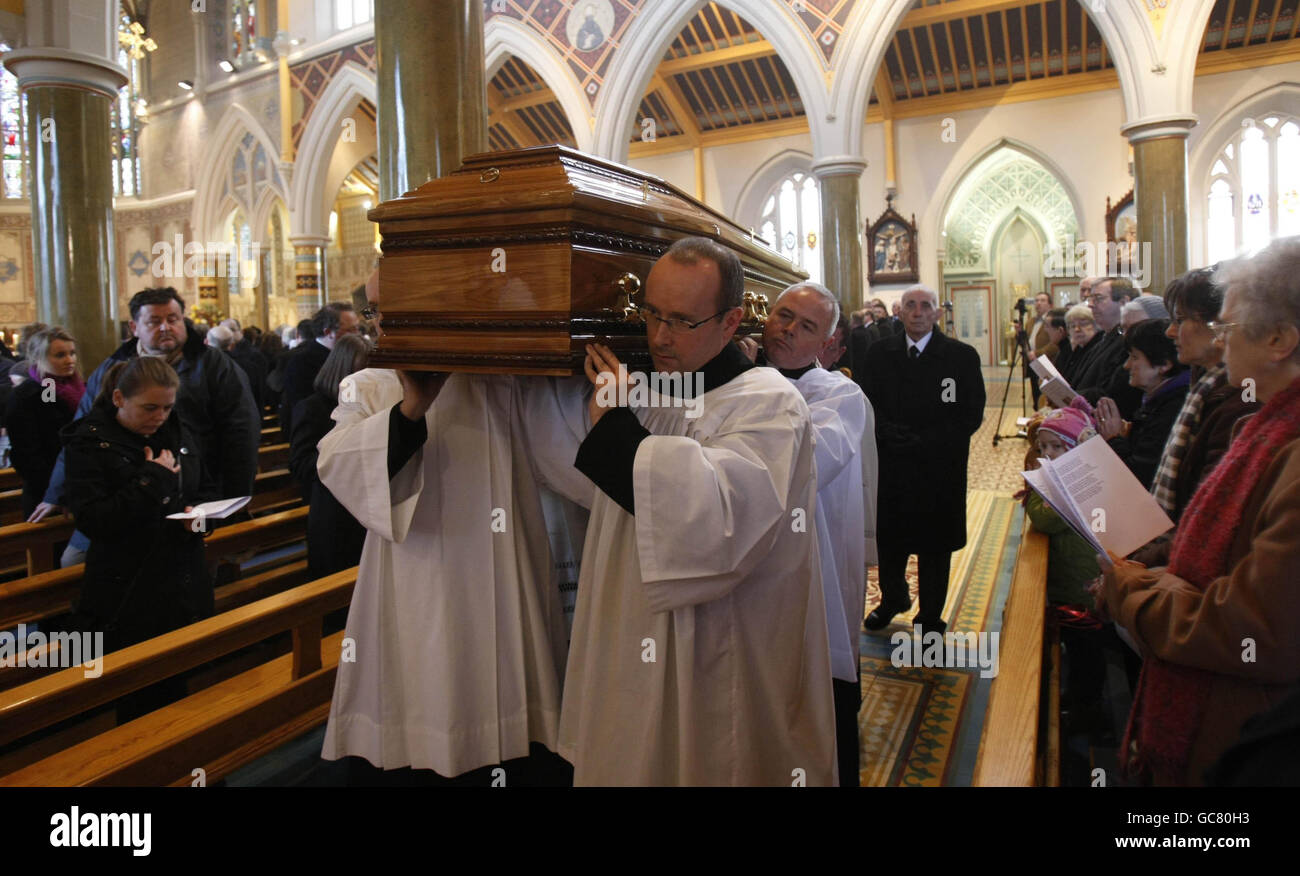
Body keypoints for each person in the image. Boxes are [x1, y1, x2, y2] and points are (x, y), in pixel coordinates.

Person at [563, 236, 836, 785]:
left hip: (717, 646)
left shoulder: (768, 402)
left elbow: (718, 520)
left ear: (732, 320)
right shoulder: (646, 388)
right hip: (629, 626)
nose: (660, 336)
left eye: (682, 321)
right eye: (652, 314)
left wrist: (614, 428)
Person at [315, 272, 588, 785]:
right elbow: (339, 466)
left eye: (394, 307)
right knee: (422, 703)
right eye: (374, 311)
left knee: (515, 719)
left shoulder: (504, 377)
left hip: (510, 577)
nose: (381, 324)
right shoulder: (372, 383)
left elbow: (571, 461)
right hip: (414, 584)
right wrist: (413, 406)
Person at [1100, 237, 1300, 786]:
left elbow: (1255, 627)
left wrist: (1132, 590)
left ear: (1280, 339)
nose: (1220, 340)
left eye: (1229, 328)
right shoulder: (1262, 424)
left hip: (1245, 737)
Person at [744, 280, 877, 788]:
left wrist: (749, 375)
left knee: (817, 709)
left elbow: (804, 463)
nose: (787, 331)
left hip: (812, 573)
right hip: (753, 573)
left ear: (826, 345)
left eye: (806, 327)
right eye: (783, 315)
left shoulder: (840, 395)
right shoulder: (739, 378)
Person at [34, 287, 260, 567]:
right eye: (154, 321)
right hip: (121, 490)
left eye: (174, 319)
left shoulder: (213, 365)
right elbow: (81, 428)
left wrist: (233, 501)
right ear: (134, 327)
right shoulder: (111, 369)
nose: (166, 327)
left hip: (190, 487)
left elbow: (241, 432)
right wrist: (55, 491)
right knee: (80, 563)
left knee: (186, 563)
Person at [863, 284, 985, 636]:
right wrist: (885, 431)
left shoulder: (960, 357)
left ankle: (930, 617)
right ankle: (892, 599)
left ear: (937, 312)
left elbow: (969, 413)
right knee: (890, 541)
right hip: (892, 463)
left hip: (938, 468)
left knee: (935, 546)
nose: (918, 312)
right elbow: (867, 402)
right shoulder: (879, 353)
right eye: (911, 306)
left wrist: (927, 440)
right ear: (899, 312)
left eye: (926, 306)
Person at [289, 333, 371, 578]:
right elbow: (301, 464)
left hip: (364, 510)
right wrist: (345, 455)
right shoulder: (313, 408)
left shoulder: (369, 406)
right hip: (333, 514)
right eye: (362, 375)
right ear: (343, 371)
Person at [1087, 319, 1190, 489]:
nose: (1127, 366)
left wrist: (1114, 439)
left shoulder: (1172, 408)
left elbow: (1139, 477)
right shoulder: (1157, 400)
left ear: (1164, 364)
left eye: (1135, 357)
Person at [6, 328, 85, 518]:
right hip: (47, 494)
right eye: (60, 355)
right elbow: (28, 454)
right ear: (38, 357)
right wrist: (56, 492)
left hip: (80, 487)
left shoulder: (76, 387)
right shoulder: (29, 394)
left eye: (72, 353)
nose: (69, 360)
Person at [279, 302, 359, 436]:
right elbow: (303, 407)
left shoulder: (353, 356)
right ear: (328, 332)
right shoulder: (301, 361)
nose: (357, 335)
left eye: (357, 329)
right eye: (350, 330)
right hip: (318, 433)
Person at [1074, 277, 1142, 417]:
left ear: (1123, 302)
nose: (1091, 305)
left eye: (1098, 298)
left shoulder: (1127, 342)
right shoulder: (1104, 336)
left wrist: (1072, 397)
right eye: (1090, 299)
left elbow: (1110, 393)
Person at [1060, 304, 1101, 387]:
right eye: (1072, 326)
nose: (1077, 329)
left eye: (1083, 324)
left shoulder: (1098, 350)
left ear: (1095, 325)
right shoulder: (1077, 349)